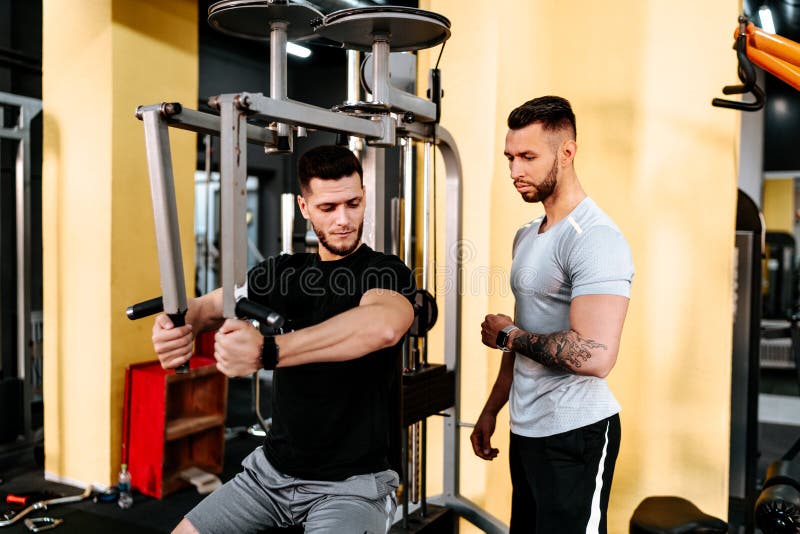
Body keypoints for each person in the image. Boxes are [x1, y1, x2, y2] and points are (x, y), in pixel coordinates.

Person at [152, 145, 416, 534]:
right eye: (328, 208)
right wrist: (175, 324)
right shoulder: (283, 272)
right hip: (269, 476)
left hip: (350, 488)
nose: (344, 220)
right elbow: (205, 308)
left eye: (353, 203)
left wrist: (267, 352)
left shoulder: (385, 271)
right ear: (304, 208)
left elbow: (382, 326)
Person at [470, 96, 634, 534]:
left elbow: (595, 356)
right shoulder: (527, 235)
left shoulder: (596, 238)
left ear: (567, 152)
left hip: (575, 433)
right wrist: (492, 410)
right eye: (509, 158)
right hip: (527, 430)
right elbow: (528, 331)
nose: (514, 171)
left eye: (527, 157)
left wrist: (508, 336)